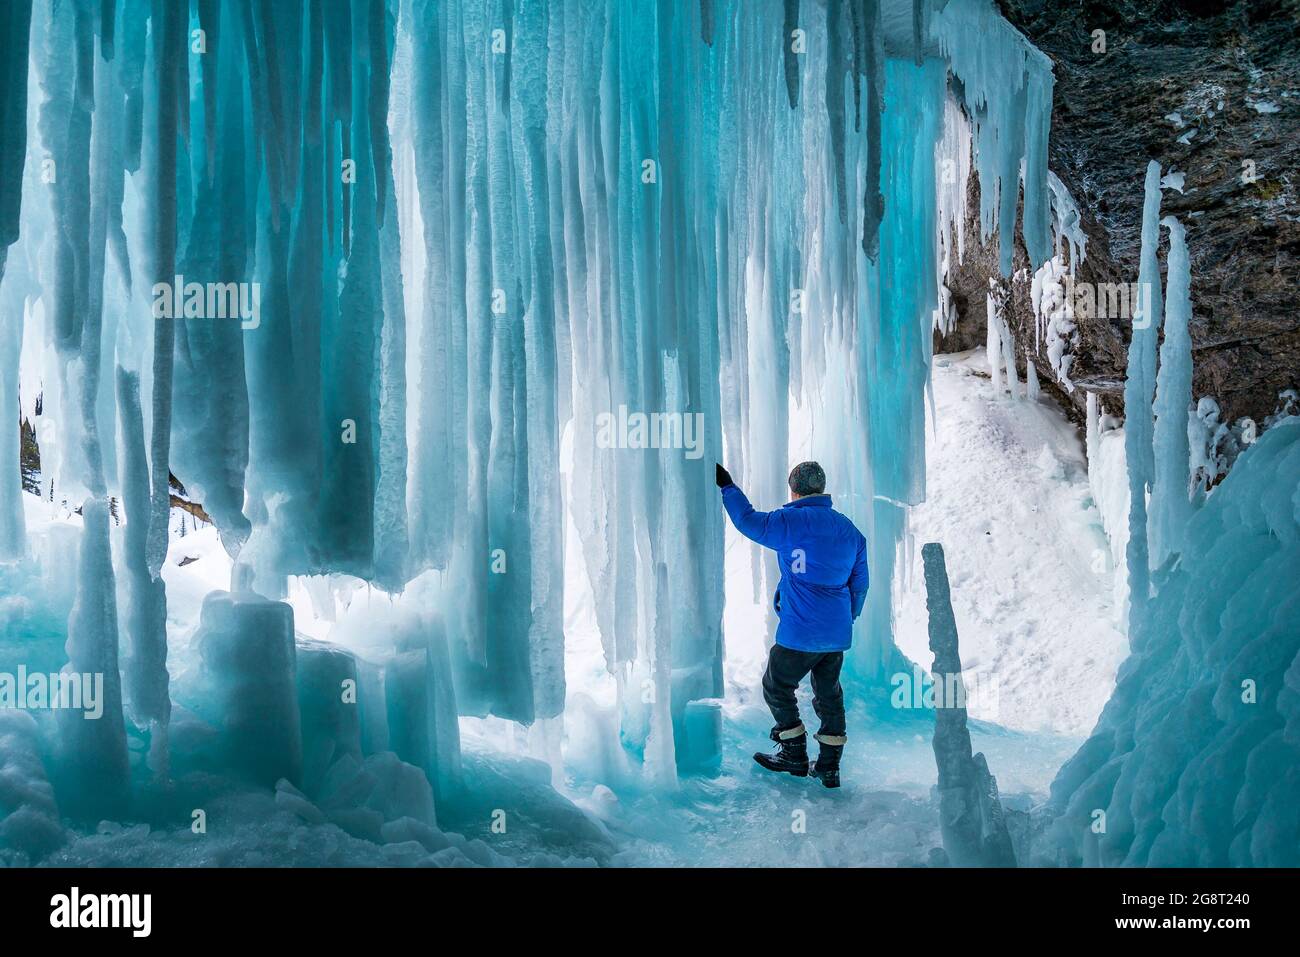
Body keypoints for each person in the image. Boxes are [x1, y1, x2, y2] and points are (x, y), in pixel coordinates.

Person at [716, 460, 869, 788]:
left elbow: (747, 520)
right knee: (829, 693)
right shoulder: (850, 532)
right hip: (836, 633)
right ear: (822, 488)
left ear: (794, 489)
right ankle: (829, 766)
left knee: (776, 685)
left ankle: (794, 753)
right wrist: (846, 617)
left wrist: (728, 486)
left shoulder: (789, 521)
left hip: (801, 630)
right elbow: (860, 585)